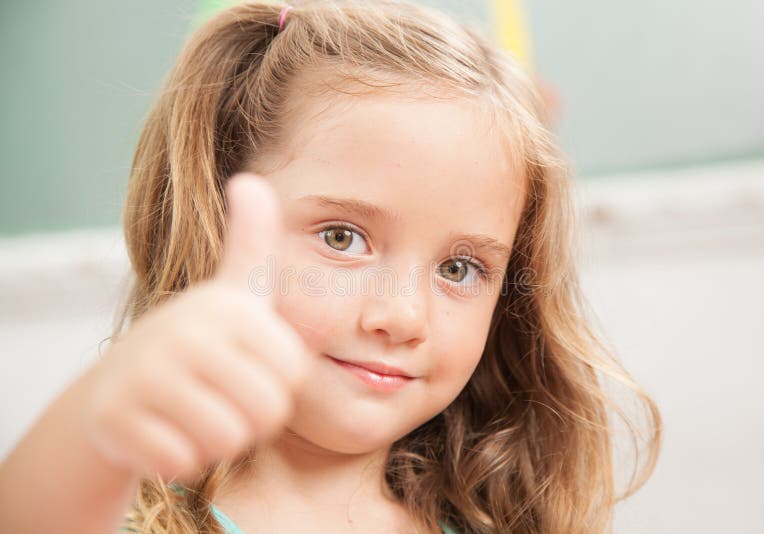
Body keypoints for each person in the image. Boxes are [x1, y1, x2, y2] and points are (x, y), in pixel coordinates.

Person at [0, 1, 661, 532]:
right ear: (215, 214)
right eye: (342, 238)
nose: (403, 317)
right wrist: (94, 425)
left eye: (459, 269)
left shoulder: (496, 519)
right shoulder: (132, 517)